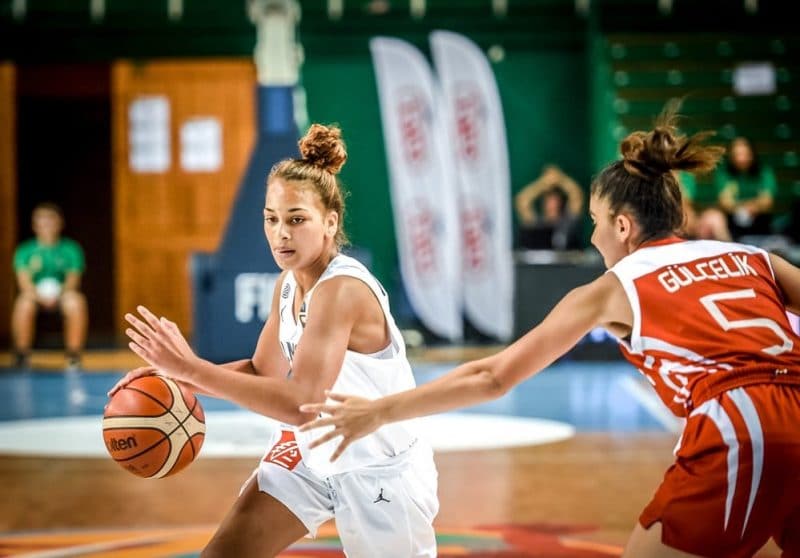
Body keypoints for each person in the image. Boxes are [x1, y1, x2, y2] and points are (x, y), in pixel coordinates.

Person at [298, 106, 800, 557]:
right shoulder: (756, 257)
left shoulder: (613, 287)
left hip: (740, 418)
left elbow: (493, 376)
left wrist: (379, 411)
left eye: (597, 221)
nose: (592, 235)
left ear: (623, 227)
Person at [109, 124, 439, 558]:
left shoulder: (342, 291)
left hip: (378, 471)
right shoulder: (287, 284)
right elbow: (263, 372)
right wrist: (174, 381)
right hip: (311, 456)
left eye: (297, 219)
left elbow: (300, 403)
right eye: (272, 218)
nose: (281, 233)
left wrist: (192, 367)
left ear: (330, 222)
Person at [11, 202, 87, 370]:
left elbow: (73, 280)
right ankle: (22, 354)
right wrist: (38, 296)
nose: (47, 225)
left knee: (76, 302)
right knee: (23, 303)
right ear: (34, 225)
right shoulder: (25, 251)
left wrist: (58, 295)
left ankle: (73, 355)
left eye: (51, 220)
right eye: (42, 221)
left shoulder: (71, 249)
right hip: (34, 295)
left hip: (62, 295)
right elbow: (24, 283)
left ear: (60, 223)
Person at [714, 136, 777, 241]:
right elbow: (725, 202)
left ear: (752, 154)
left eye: (744, 154)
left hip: (761, 222)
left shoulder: (764, 172)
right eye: (737, 155)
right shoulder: (723, 173)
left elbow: (767, 202)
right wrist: (744, 207)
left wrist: (752, 207)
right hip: (733, 224)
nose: (741, 159)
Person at [515, 164, 584, 250]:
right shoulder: (537, 224)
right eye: (549, 200)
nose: (552, 204)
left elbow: (576, 195)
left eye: (555, 199)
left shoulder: (568, 221)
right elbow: (522, 201)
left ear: (561, 202)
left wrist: (560, 179)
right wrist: (544, 182)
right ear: (544, 203)